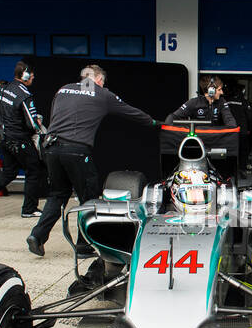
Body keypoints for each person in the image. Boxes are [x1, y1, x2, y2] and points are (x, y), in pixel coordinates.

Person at [26, 64, 155, 257]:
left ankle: (37, 236)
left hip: (51, 148)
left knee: (57, 195)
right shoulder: (102, 94)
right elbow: (131, 112)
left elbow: (55, 115)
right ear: (98, 79)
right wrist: (153, 122)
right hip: (77, 150)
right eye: (102, 82)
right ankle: (83, 246)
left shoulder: (63, 89)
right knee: (89, 199)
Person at [0, 60, 47, 218]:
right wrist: (38, 122)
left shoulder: (5, 89)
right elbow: (32, 122)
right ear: (25, 75)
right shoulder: (24, 95)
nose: (33, 78)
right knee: (34, 171)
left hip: (4, 139)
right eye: (32, 76)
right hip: (19, 140)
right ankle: (29, 209)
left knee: (9, 172)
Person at [166, 75, 237, 128]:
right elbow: (173, 116)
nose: (222, 92)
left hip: (216, 140)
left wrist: (231, 128)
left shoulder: (222, 102)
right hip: (198, 141)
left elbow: (229, 120)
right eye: (219, 89)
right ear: (211, 90)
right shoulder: (194, 102)